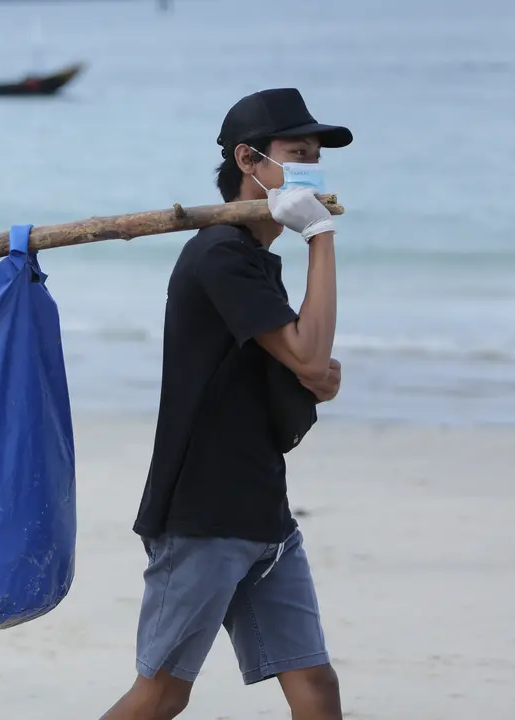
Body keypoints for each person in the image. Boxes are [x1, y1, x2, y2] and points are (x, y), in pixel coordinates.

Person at [101, 88, 352, 720]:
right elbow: (307, 356)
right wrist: (320, 238)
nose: (311, 169)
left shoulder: (255, 260)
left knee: (315, 686)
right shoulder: (219, 254)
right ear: (248, 159)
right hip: (203, 515)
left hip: (263, 510)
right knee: (162, 693)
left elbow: (305, 363)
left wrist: (314, 369)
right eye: (297, 154)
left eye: (316, 157)